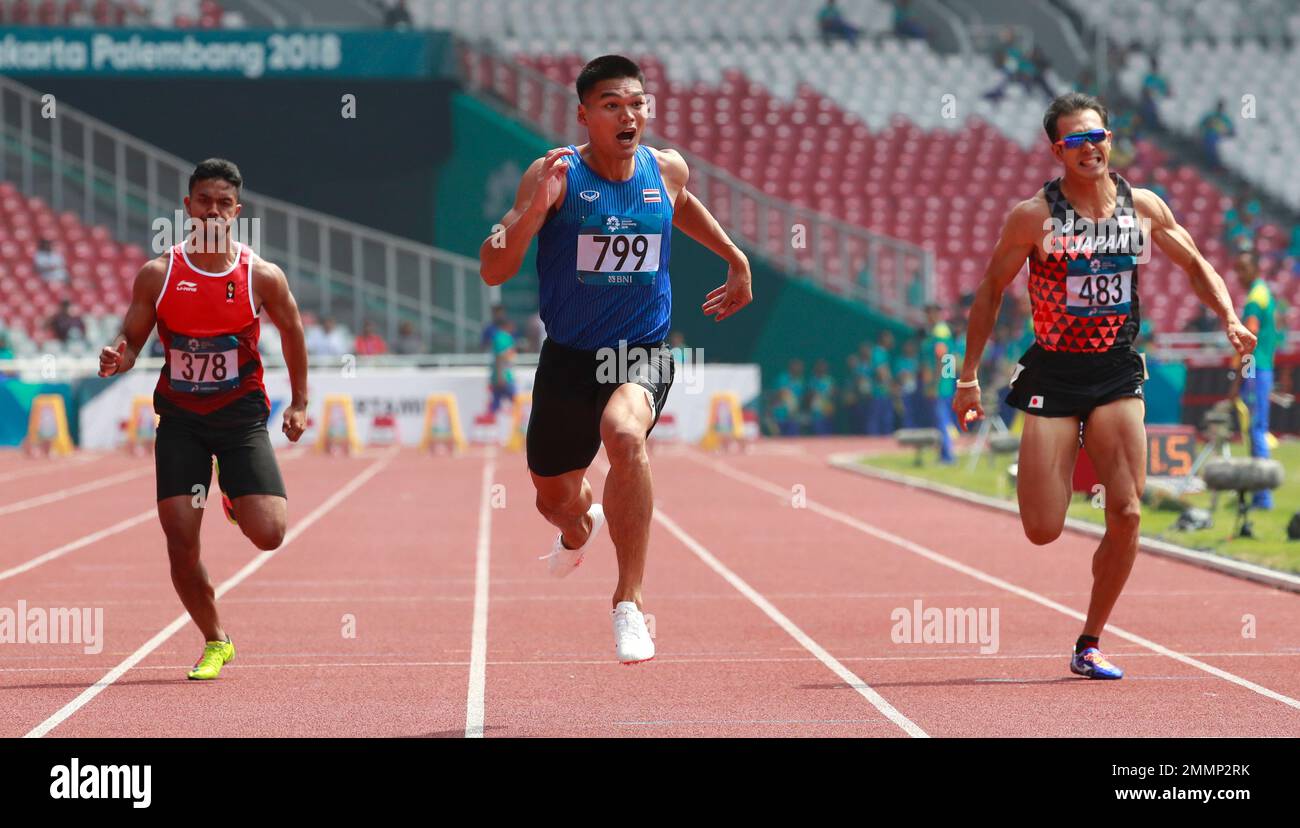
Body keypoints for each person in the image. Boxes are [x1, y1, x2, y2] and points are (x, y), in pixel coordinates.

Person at [953, 93, 1254, 680]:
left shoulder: (1140, 208)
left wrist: (1230, 317)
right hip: (1054, 373)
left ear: (1110, 139)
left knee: (1129, 512)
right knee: (1043, 529)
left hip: (1117, 371)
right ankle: (1060, 469)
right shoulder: (1033, 217)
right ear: (1056, 150)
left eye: (1096, 137)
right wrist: (967, 377)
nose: (1088, 148)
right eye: (1074, 141)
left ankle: (1089, 641)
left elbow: (1194, 263)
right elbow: (990, 291)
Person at [478, 55, 753, 664]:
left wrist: (735, 257)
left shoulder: (666, 168)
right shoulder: (553, 173)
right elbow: (494, 265)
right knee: (555, 499)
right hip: (569, 360)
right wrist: (533, 210)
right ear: (585, 115)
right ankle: (579, 529)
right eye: (611, 105)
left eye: (636, 103)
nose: (628, 115)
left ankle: (628, 604)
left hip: (642, 351)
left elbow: (679, 204)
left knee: (625, 435)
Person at [97, 158, 309, 681]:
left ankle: (236, 497)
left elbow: (293, 332)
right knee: (180, 537)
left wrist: (300, 401)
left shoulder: (260, 275)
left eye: (223, 203)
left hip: (239, 419)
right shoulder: (159, 274)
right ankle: (216, 639)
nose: (213, 211)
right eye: (203, 201)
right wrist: (116, 358)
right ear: (187, 207)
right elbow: (132, 341)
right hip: (182, 420)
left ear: (237, 211)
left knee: (270, 534)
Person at [1229, 245, 1281, 509]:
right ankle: (1258, 493)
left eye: (1243, 268)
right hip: (1264, 367)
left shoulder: (1254, 299)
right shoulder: (1264, 292)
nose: (1239, 274)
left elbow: (1248, 340)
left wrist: (1237, 381)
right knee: (1256, 427)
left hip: (1255, 369)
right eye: (1237, 269)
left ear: (1256, 268)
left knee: (1256, 429)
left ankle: (1262, 497)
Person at [922, 303, 957, 462]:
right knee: (942, 418)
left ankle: (947, 455)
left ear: (937, 314)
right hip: (945, 381)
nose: (927, 317)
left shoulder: (940, 331)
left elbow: (941, 358)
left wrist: (935, 384)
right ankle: (944, 453)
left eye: (930, 313)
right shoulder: (940, 331)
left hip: (940, 383)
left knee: (941, 418)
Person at [488, 317, 517, 415]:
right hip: (505, 376)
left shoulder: (498, 337)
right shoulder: (503, 338)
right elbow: (500, 358)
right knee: (516, 402)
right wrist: (501, 376)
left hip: (497, 376)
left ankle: (491, 428)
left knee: (495, 405)